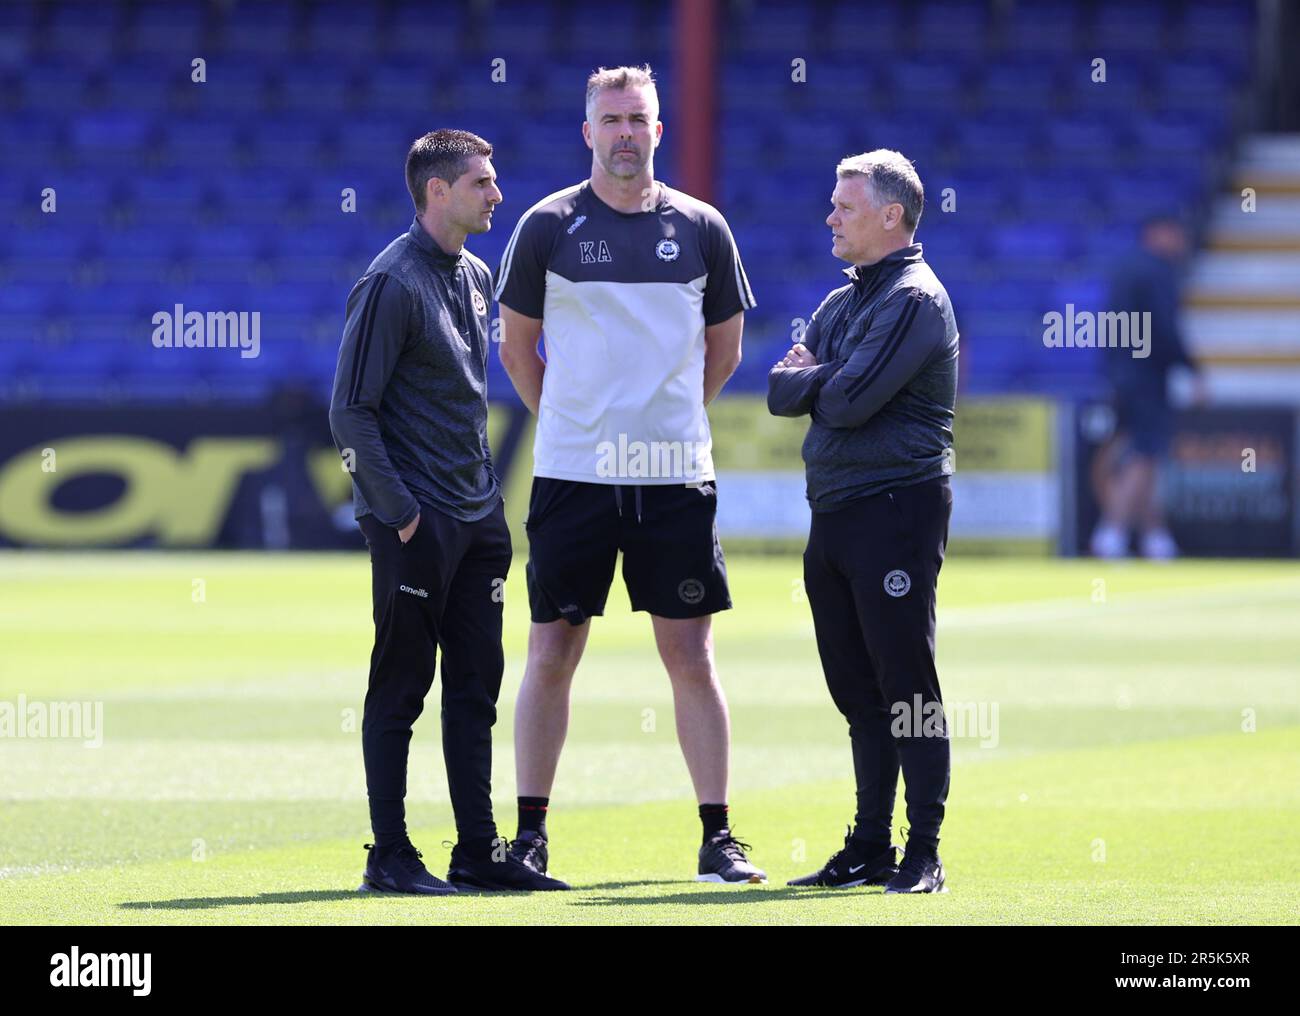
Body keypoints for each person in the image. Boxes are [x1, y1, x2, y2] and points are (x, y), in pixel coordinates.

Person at [494, 65, 765, 884]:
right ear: (587, 132)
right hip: (574, 475)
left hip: (674, 476)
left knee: (691, 656)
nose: (623, 132)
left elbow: (725, 352)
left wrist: (663, 424)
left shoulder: (703, 227)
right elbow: (515, 350)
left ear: (658, 129)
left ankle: (718, 839)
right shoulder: (545, 226)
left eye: (637, 118)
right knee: (551, 651)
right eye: (609, 118)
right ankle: (532, 837)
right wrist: (577, 429)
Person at [329, 129, 565, 894]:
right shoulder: (391, 281)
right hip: (418, 522)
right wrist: (400, 514)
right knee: (401, 685)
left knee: (476, 686)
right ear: (438, 191)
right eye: (481, 183)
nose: (497, 194)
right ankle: (389, 856)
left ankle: (477, 851)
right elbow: (350, 412)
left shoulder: (473, 271)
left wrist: (483, 508)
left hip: (476, 517)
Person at [767, 150, 959, 893]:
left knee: (906, 683)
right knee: (856, 689)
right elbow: (782, 394)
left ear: (890, 216)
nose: (830, 217)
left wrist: (816, 377)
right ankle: (871, 844)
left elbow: (844, 403)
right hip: (836, 511)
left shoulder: (914, 298)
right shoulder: (846, 298)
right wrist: (823, 379)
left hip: (895, 508)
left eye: (844, 206)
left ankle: (925, 850)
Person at [1090, 214, 1205, 560]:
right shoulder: (1157, 271)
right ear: (1160, 232)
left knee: (1137, 454)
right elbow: (1165, 328)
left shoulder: (1124, 268)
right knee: (1145, 454)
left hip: (1122, 377)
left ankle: (1155, 536)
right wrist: (1192, 369)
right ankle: (1112, 531)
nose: (1181, 242)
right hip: (1147, 379)